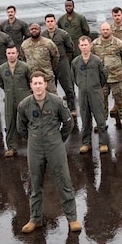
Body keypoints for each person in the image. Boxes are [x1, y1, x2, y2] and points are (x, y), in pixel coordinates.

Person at [17, 72, 81, 234]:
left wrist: (58, 139)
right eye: (35, 84)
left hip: (55, 146)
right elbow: (21, 128)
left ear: (45, 84)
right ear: (31, 86)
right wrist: (33, 139)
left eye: (40, 83)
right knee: (35, 184)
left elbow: (68, 123)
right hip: (35, 147)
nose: (38, 86)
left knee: (64, 182)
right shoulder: (24, 105)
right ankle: (35, 219)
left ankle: (72, 218)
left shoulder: (57, 102)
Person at [91, 22, 122, 130]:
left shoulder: (118, 43)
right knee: (101, 101)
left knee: (121, 98)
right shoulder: (95, 44)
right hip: (102, 79)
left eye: (107, 29)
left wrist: (117, 67)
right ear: (100, 31)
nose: (105, 31)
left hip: (116, 77)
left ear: (110, 30)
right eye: (103, 29)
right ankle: (101, 122)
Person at [71, 36, 111, 154]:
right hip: (83, 93)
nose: (84, 47)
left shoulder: (97, 60)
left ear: (90, 45)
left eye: (86, 45)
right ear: (79, 47)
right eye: (82, 45)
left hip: (96, 92)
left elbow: (104, 75)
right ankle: (86, 143)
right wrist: (82, 85)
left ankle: (103, 143)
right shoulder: (75, 62)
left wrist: (96, 86)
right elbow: (74, 77)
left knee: (100, 118)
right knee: (85, 118)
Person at [0, 44, 33, 157]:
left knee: (29, 121)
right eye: (9, 53)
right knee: (10, 122)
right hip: (9, 97)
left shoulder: (25, 67)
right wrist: (9, 91)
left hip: (24, 97)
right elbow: (1, 83)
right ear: (6, 54)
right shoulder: (1, 69)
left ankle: (33, 146)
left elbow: (30, 81)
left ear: (17, 54)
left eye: (13, 53)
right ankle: (12, 147)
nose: (11, 55)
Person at [43, 13, 76, 115]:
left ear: (55, 21)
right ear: (45, 23)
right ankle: (53, 109)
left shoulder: (63, 34)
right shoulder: (43, 35)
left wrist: (65, 58)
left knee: (68, 86)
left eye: (52, 21)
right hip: (49, 63)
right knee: (50, 88)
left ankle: (72, 107)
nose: (50, 24)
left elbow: (70, 47)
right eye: (48, 22)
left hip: (62, 62)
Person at [21, 22, 60, 92]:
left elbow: (55, 57)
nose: (34, 30)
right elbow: (23, 59)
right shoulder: (24, 44)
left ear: (40, 30)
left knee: (52, 97)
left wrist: (51, 69)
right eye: (32, 29)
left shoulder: (48, 43)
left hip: (47, 75)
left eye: (36, 29)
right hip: (32, 77)